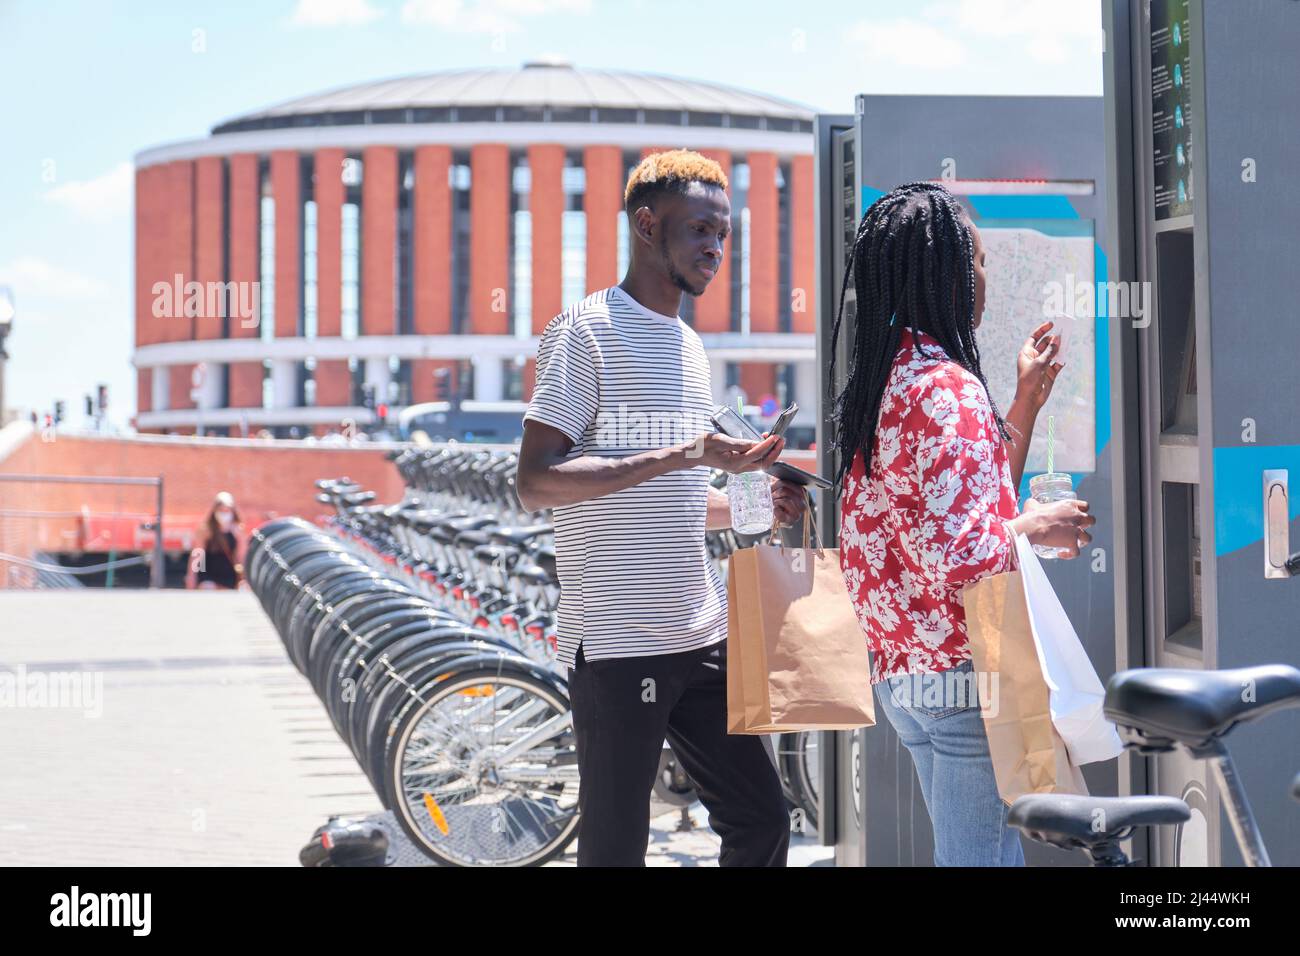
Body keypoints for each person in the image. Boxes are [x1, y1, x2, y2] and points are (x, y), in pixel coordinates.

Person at [517, 150, 807, 867]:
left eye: (722, 234)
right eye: (699, 231)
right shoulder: (583, 332)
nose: (715, 249)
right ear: (647, 226)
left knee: (764, 820)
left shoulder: (688, 345)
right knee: (616, 850)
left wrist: (757, 503)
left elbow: (678, 505)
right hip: (618, 647)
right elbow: (535, 481)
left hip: (701, 634)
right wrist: (681, 455)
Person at [829, 182, 1095, 866]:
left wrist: (1024, 403)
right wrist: (1037, 525)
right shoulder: (948, 387)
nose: (985, 275)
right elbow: (967, 552)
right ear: (943, 270)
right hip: (964, 675)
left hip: (904, 676)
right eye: (975, 260)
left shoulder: (886, 383)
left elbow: (956, 503)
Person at [186, 491, 245, 590]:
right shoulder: (206, 530)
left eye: (227, 511)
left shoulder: (237, 531)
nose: (224, 514)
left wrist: (244, 578)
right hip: (208, 575)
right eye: (221, 510)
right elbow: (197, 554)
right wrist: (191, 577)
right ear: (215, 511)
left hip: (229, 576)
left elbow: (241, 556)